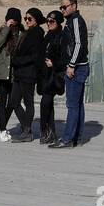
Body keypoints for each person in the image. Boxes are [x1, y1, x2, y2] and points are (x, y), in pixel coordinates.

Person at [3, 8, 45, 142]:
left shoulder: (37, 33)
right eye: (25, 18)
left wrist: (18, 61)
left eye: (30, 19)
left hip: (28, 73)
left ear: (36, 20)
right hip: (20, 73)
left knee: (28, 102)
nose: (27, 21)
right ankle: (27, 127)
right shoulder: (27, 32)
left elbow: (35, 56)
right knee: (14, 101)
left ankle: (27, 131)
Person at [52, 0, 88, 149]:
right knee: (77, 104)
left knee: (72, 105)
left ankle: (67, 139)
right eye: (61, 7)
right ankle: (76, 137)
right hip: (78, 66)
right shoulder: (71, 21)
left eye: (65, 7)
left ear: (74, 5)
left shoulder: (75, 21)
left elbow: (79, 44)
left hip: (77, 67)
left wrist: (71, 65)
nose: (63, 10)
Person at [0, 8, 23, 141]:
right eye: (10, 19)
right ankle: (3, 129)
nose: (12, 21)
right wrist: (6, 29)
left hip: (14, 72)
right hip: (1, 72)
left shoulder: (22, 33)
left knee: (12, 101)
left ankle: (1, 126)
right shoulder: (1, 31)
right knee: (2, 101)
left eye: (14, 19)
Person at [37, 10, 67, 144]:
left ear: (58, 22)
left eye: (52, 21)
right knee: (48, 104)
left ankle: (44, 131)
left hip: (54, 76)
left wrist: (53, 63)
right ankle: (51, 132)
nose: (48, 24)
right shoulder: (47, 35)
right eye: (47, 21)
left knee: (45, 103)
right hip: (45, 75)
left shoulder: (62, 37)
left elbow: (66, 58)